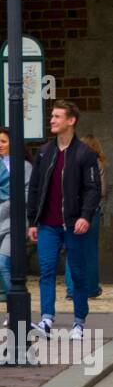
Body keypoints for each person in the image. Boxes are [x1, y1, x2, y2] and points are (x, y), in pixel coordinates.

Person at [26, 102, 102, 340]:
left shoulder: (84, 153)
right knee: (46, 270)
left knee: (78, 272)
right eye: (51, 116)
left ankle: (79, 321)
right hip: (48, 223)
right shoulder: (44, 152)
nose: (52, 120)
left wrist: (85, 216)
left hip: (73, 224)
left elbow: (93, 189)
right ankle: (47, 318)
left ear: (71, 121)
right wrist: (33, 221)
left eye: (57, 116)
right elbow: (35, 188)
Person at [67, 134, 107, 300]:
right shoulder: (97, 163)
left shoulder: (69, 162)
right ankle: (90, 288)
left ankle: (72, 289)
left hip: (71, 210)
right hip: (90, 211)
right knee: (90, 251)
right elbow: (102, 190)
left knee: (72, 250)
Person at [0, 128, 34, 300]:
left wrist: (6, 204)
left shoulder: (24, 166)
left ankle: (16, 305)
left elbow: (28, 193)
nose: (0, 145)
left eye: (4, 141)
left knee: (4, 263)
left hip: (14, 221)